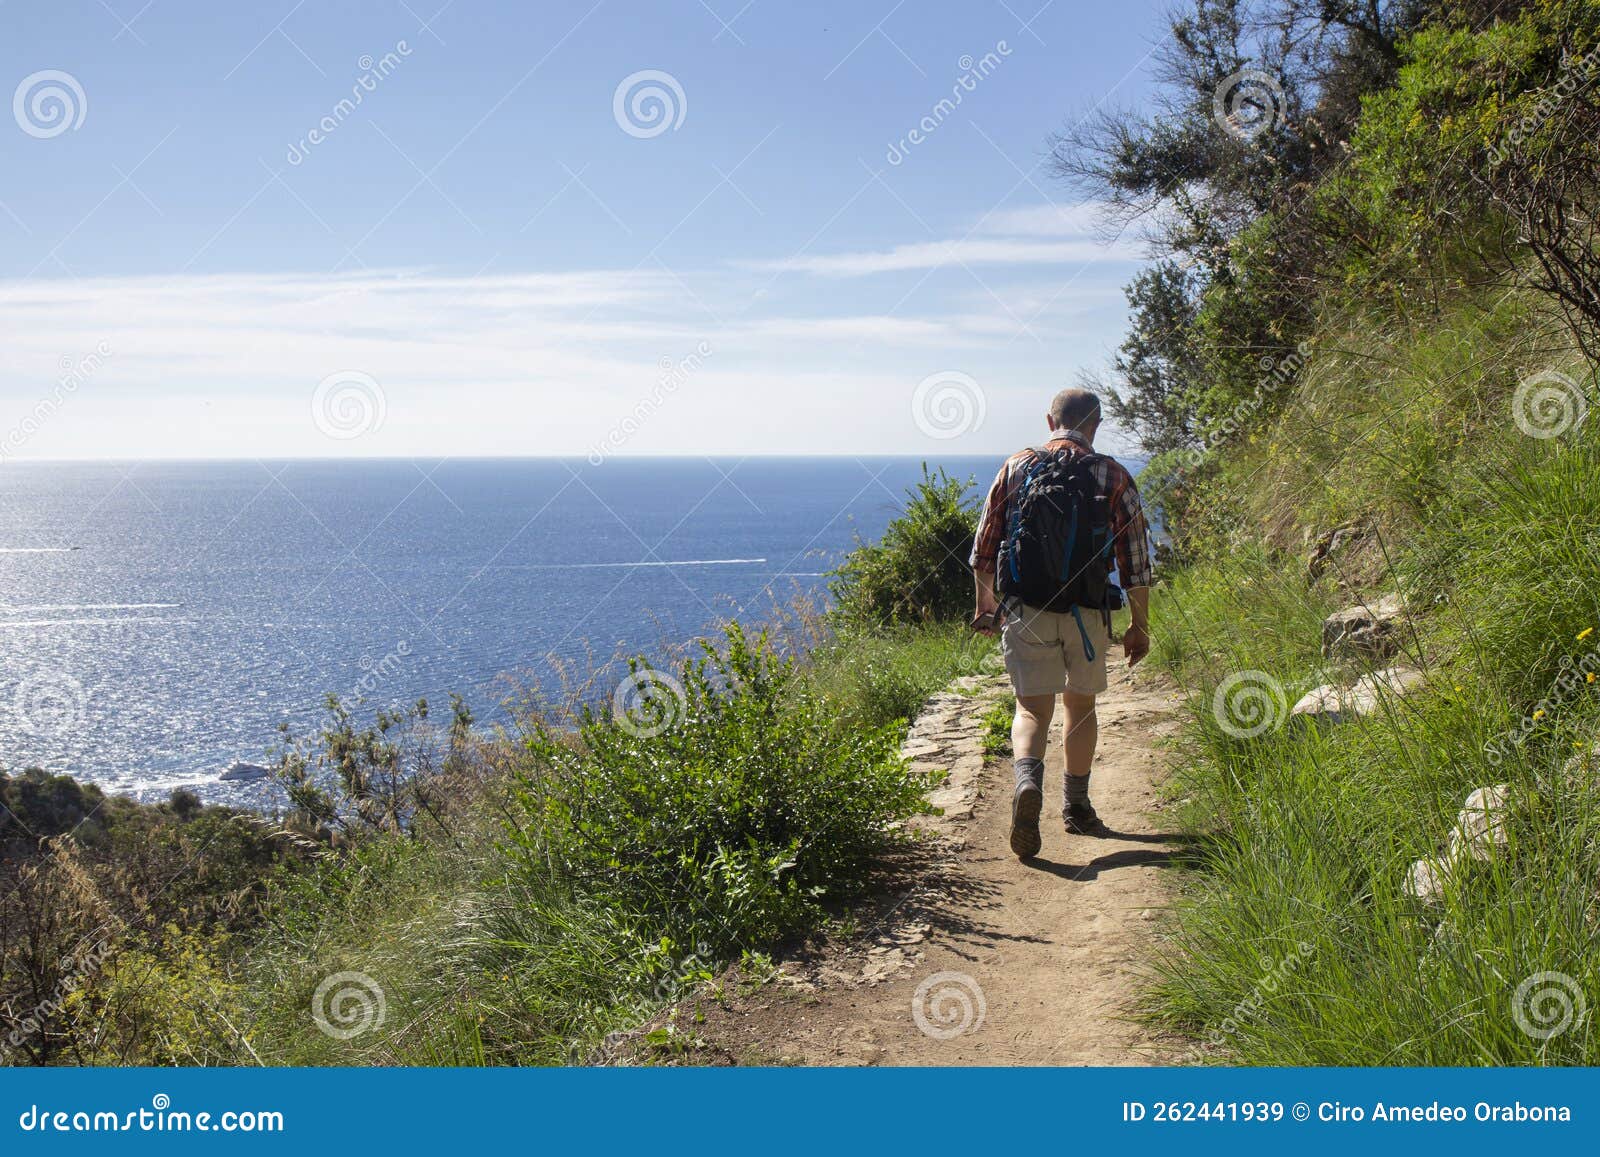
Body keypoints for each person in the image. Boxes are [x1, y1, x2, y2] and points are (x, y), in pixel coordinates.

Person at [969, 388, 1152, 859]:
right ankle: (1077, 808)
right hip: (1087, 611)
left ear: (1050, 422)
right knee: (1080, 707)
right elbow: (1135, 561)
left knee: (1031, 710)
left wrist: (986, 608)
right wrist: (1139, 626)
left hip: (1026, 608)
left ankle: (1028, 783)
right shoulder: (1112, 474)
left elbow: (984, 549)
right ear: (1096, 424)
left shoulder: (1016, 467)